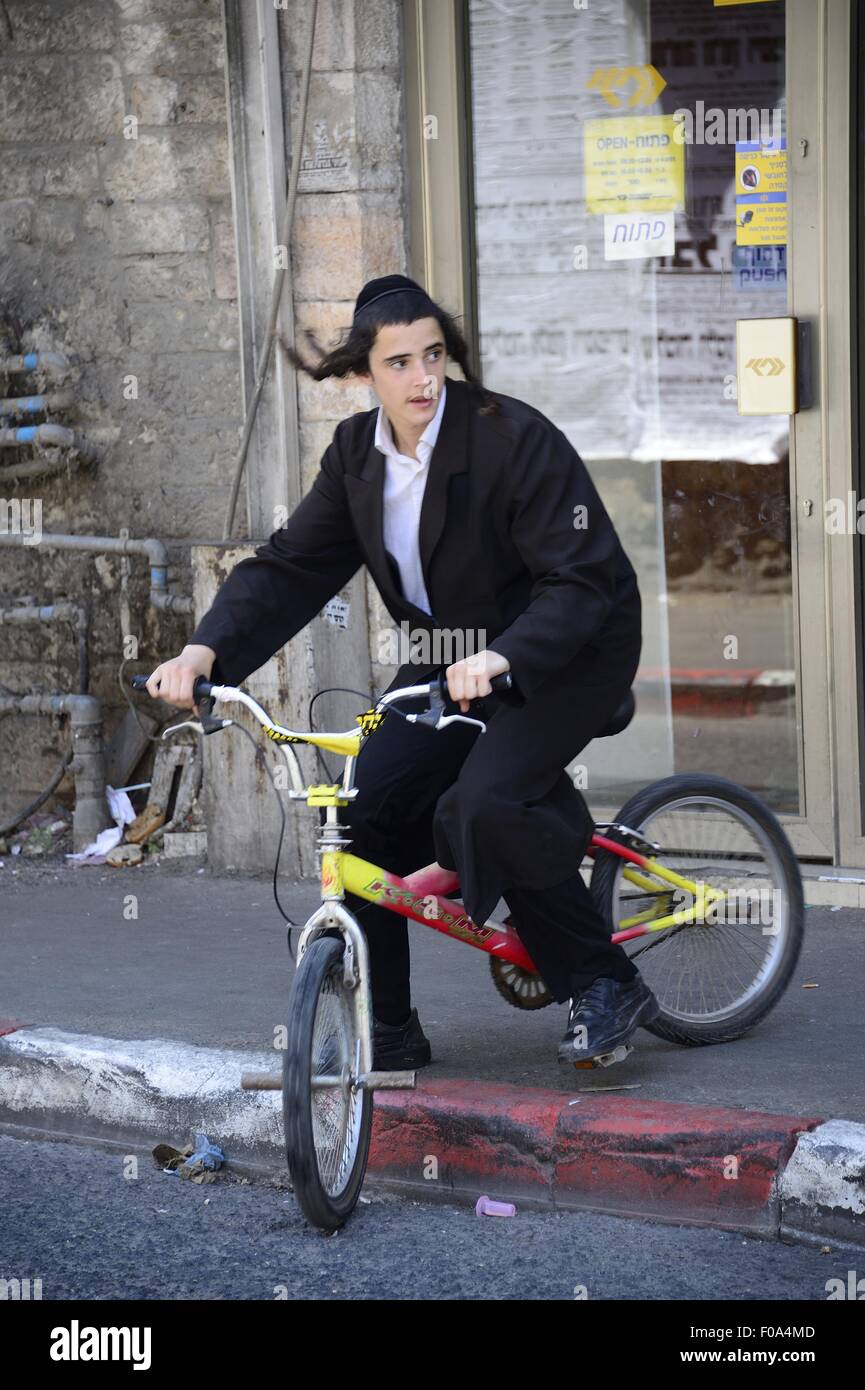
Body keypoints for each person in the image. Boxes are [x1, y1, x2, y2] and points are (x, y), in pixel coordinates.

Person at [146, 273, 659, 1071]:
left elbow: (580, 578)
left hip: (568, 649)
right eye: (399, 363)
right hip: (445, 659)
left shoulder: (511, 440)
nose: (423, 379)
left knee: (486, 800)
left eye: (433, 356)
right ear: (363, 373)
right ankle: (385, 1030)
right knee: (364, 810)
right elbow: (289, 568)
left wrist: (505, 655)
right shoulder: (356, 457)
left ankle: (602, 980)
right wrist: (203, 651)